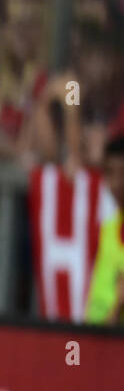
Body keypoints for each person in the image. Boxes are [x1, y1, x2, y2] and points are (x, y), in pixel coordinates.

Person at [85, 135, 124, 325]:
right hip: (96, 341)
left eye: (123, 174)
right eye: (110, 173)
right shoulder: (107, 229)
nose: (117, 183)